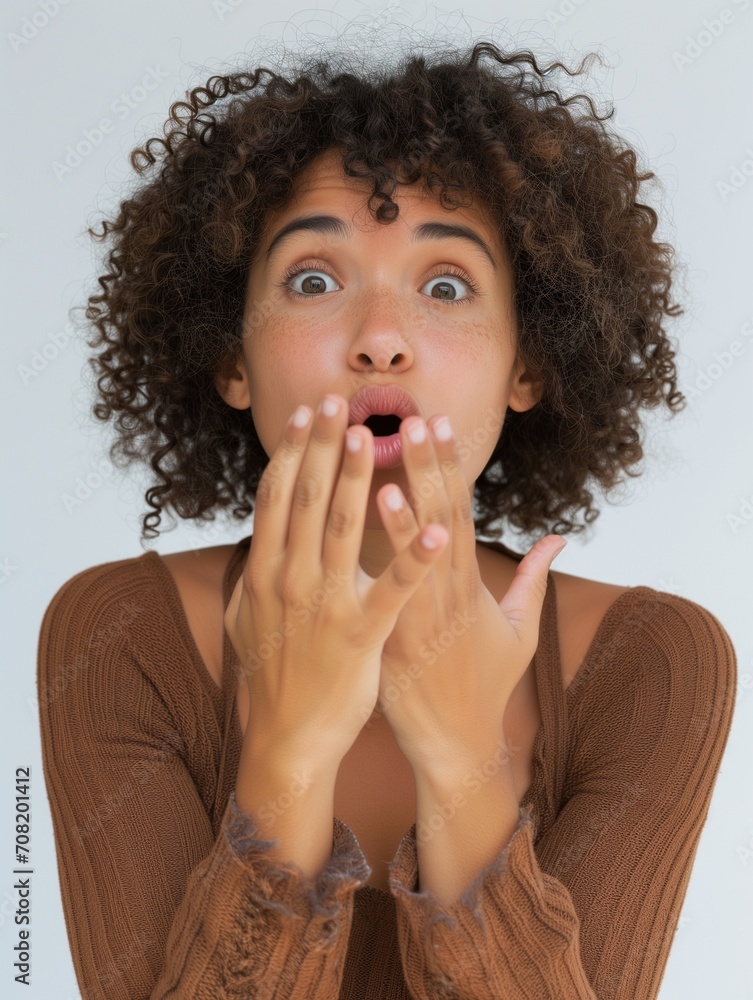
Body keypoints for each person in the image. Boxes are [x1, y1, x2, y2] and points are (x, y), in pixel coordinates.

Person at [37, 38, 737, 999]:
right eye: (313, 281)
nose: (377, 341)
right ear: (231, 360)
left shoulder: (653, 663)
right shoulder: (119, 634)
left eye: (444, 286)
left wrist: (462, 764)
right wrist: (286, 749)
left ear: (525, 365)